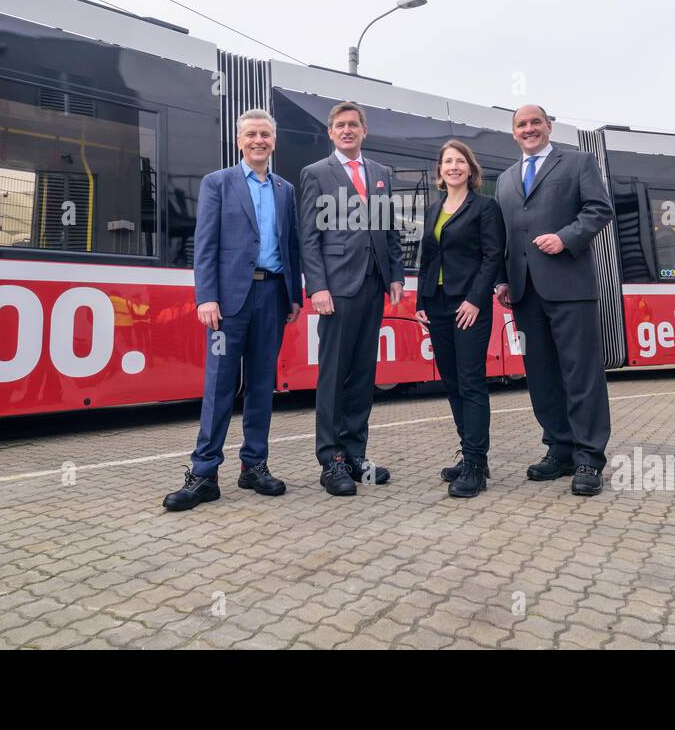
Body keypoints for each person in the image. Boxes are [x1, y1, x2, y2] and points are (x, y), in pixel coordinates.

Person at [163, 109, 303, 511]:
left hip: (273, 297)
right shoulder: (217, 183)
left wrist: (294, 295)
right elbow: (205, 243)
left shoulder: (285, 189)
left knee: (261, 385)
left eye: (265, 134)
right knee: (220, 384)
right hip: (228, 305)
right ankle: (204, 473)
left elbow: (291, 245)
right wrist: (206, 296)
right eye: (251, 134)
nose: (259, 140)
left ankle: (254, 466)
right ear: (239, 141)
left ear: (274, 141)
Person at [494, 104, 614, 497]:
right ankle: (560, 449)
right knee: (541, 375)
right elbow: (503, 236)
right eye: (521, 124)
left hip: (570, 288)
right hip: (524, 293)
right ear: (513, 132)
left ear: (548, 126)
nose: (528, 129)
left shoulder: (578, 163)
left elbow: (599, 209)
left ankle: (589, 457)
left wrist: (565, 237)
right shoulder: (505, 179)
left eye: (535, 122)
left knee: (581, 374)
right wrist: (502, 280)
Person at [299, 101, 404, 496]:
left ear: (364, 130)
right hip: (337, 288)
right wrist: (317, 286)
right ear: (331, 133)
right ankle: (331, 459)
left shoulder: (380, 173)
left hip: (373, 285)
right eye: (340, 125)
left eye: (353, 125)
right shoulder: (315, 173)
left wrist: (395, 275)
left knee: (362, 375)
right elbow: (308, 236)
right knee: (333, 375)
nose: (347, 130)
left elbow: (389, 228)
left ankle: (356, 454)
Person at [414, 140, 505, 498]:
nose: (453, 166)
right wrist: (421, 301)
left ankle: (476, 466)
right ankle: (468, 453)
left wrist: (475, 300)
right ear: (440, 170)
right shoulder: (433, 209)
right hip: (437, 305)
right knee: (451, 383)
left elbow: (493, 256)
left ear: (470, 169)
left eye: (460, 161)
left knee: (470, 382)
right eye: (447, 161)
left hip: (469, 307)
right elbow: (427, 258)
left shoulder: (485, 207)